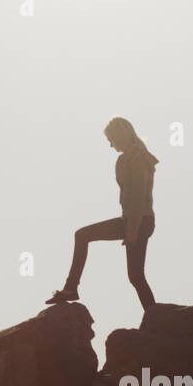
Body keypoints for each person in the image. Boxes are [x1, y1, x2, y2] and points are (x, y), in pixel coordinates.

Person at [46, 117, 158, 312]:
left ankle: (71, 288)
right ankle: (155, 315)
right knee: (136, 277)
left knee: (82, 235)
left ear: (119, 136)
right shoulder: (127, 158)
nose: (110, 145)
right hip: (135, 220)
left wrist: (132, 228)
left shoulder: (137, 157)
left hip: (139, 220)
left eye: (110, 139)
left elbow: (139, 195)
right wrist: (130, 227)